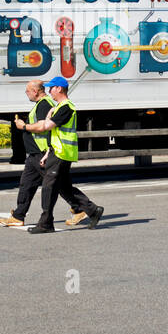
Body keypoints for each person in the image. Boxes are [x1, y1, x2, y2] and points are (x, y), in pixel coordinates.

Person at [21, 76, 104, 234]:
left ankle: (45, 224)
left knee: (48, 187)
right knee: (64, 187)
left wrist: (36, 121)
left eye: (51, 88)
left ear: (59, 89)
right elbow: (54, 134)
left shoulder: (66, 107)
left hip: (62, 154)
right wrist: (47, 153)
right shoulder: (59, 107)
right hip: (57, 152)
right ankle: (93, 210)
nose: (49, 91)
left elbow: (47, 126)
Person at [0, 81, 55, 227]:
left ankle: (81, 207)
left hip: (40, 152)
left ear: (36, 91)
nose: (26, 93)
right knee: (26, 185)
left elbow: (43, 126)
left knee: (58, 184)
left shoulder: (44, 104)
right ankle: (18, 216)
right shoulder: (41, 104)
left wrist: (23, 126)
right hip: (34, 153)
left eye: (28, 91)